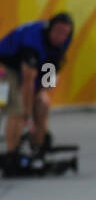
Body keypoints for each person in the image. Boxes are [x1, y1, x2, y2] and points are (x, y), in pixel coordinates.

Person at [0, 13, 73, 173]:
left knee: (43, 104)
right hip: (7, 67)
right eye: (57, 32)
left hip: (30, 70)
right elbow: (27, 81)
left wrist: (41, 99)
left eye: (64, 33)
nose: (60, 36)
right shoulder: (32, 42)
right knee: (19, 110)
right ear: (49, 30)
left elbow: (50, 74)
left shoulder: (64, 41)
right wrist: (29, 117)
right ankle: (12, 155)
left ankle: (38, 149)